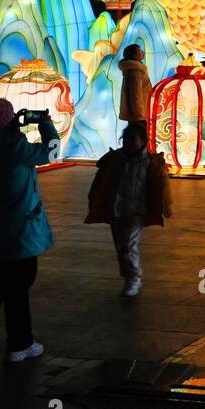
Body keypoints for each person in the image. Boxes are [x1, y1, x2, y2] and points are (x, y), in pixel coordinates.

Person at [0, 97, 58, 363]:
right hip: (18, 230)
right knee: (17, 288)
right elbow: (51, 151)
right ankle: (19, 344)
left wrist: (10, 127)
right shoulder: (14, 146)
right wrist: (46, 125)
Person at [85, 122, 172, 297]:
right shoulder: (114, 159)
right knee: (121, 244)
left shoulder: (152, 162)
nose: (129, 142)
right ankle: (129, 277)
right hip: (116, 208)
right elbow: (100, 181)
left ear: (143, 141)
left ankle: (133, 277)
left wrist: (166, 204)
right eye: (126, 139)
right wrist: (93, 199)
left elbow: (163, 185)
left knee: (128, 243)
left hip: (137, 209)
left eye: (133, 139)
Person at [118, 44, 152, 125]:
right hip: (138, 115)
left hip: (136, 114)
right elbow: (136, 95)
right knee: (138, 135)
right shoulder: (135, 71)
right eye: (140, 51)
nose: (143, 53)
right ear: (134, 55)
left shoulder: (133, 69)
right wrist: (140, 115)